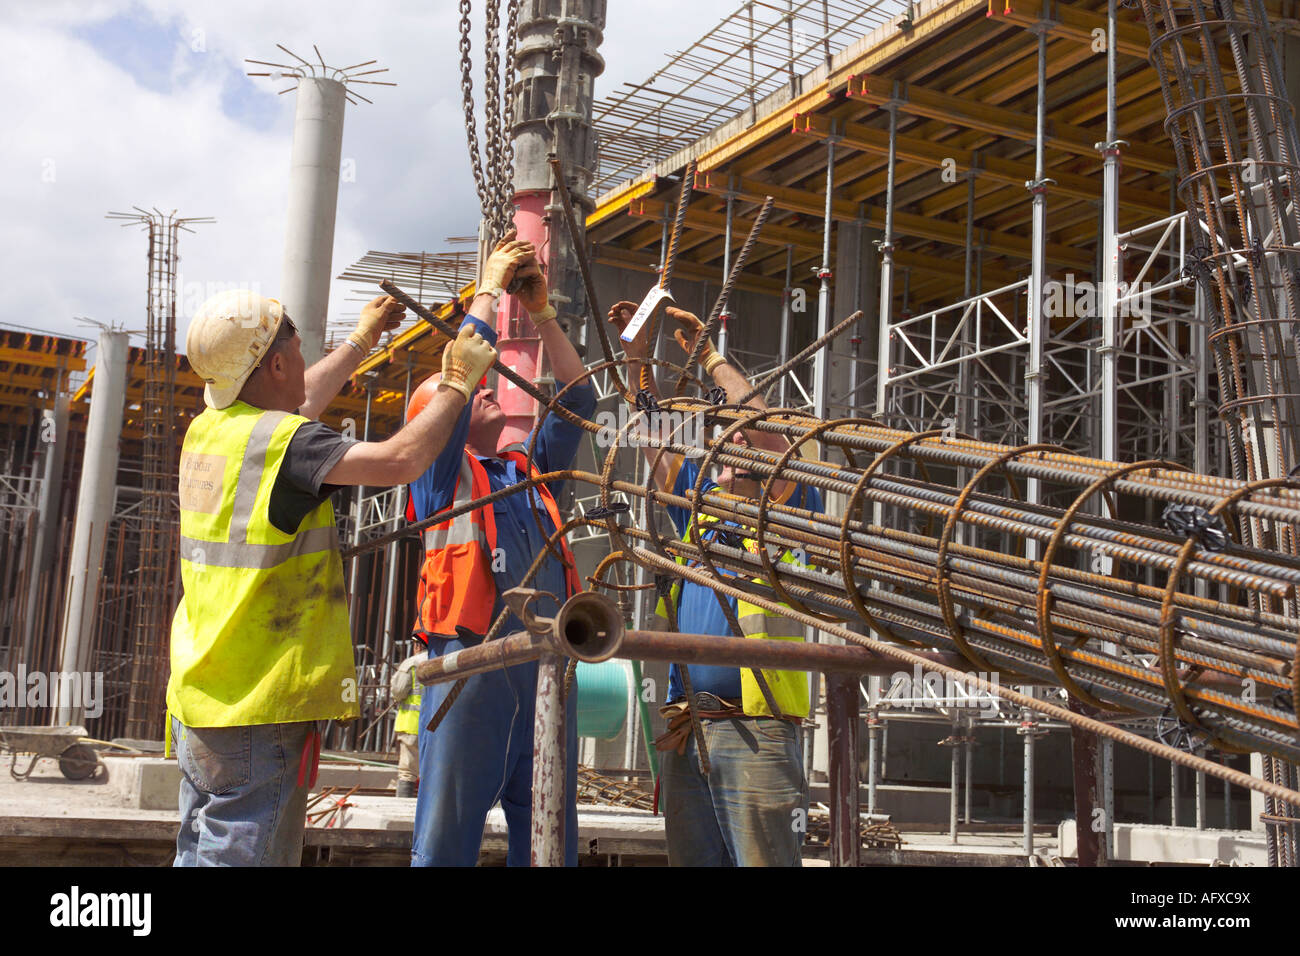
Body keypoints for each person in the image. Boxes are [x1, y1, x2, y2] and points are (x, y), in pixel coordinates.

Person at [167, 260, 510, 866]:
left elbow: (295, 404)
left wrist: (360, 341)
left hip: (201, 695)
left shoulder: (211, 427)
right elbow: (401, 459)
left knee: (199, 852)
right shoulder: (286, 444)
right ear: (275, 365)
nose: (303, 364)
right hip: (260, 704)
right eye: (297, 353)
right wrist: (457, 380)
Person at [607, 299, 820, 867]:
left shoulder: (789, 510)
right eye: (727, 437)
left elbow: (772, 437)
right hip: (690, 722)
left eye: (743, 439)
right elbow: (653, 440)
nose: (734, 441)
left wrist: (709, 357)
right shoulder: (697, 516)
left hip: (758, 726)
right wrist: (637, 358)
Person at [405, 241, 596, 867]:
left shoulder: (529, 471)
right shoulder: (438, 474)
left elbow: (579, 397)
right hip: (471, 664)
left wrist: (540, 312)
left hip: (544, 663)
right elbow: (460, 374)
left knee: (549, 836)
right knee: (445, 837)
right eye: (462, 392)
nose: (482, 388)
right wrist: (486, 287)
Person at [389, 651, 424, 798]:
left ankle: (403, 807)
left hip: (412, 724)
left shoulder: (412, 663)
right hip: (438, 727)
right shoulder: (445, 658)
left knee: (407, 772)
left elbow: (398, 691)